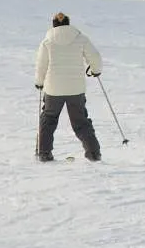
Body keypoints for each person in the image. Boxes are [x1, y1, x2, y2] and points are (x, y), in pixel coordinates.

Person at [35, 12, 102, 162]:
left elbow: (41, 64)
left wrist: (39, 81)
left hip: (53, 89)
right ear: (68, 23)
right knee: (80, 122)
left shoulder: (47, 41)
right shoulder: (81, 39)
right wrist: (96, 70)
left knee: (48, 119)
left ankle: (44, 153)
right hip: (75, 89)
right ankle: (94, 153)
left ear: (53, 24)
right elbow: (95, 57)